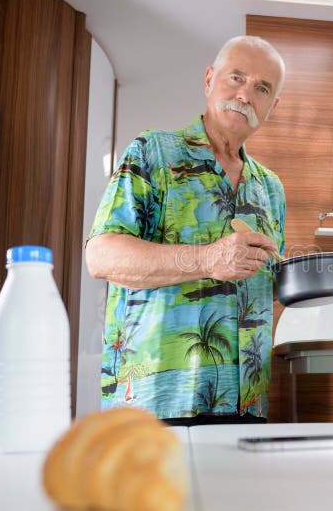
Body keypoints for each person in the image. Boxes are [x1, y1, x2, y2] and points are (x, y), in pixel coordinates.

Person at [86, 35, 286, 425]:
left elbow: (264, 282)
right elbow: (101, 255)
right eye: (236, 78)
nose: (245, 95)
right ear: (209, 80)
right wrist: (208, 259)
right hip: (155, 405)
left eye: (261, 88)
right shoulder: (152, 153)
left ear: (272, 106)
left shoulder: (271, 188)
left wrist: (300, 277)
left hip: (249, 405)